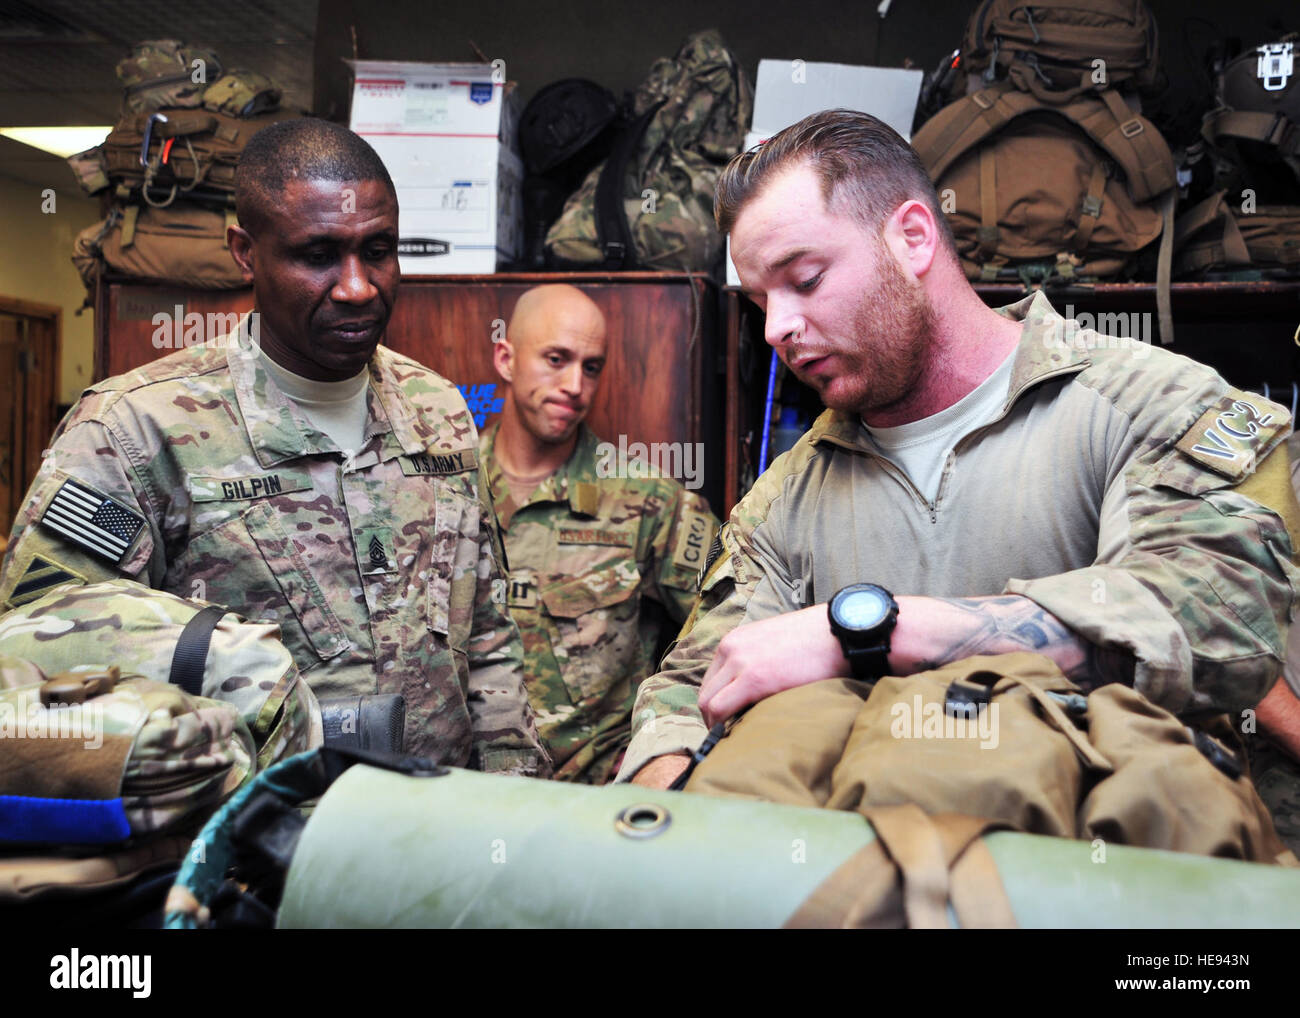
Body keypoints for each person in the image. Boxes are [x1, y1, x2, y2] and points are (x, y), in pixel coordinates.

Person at [619, 109, 1300, 789]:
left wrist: (864, 634)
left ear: (913, 237)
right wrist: (664, 802)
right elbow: (691, 688)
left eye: (805, 280)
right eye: (763, 300)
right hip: (870, 880)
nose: (777, 329)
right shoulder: (785, 498)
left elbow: (1219, 624)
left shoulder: (1146, 405)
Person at [0, 119, 547, 776]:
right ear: (245, 251)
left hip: (436, 831)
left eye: (378, 250)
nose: (357, 286)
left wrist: (512, 801)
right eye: (317, 255)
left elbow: (485, 631)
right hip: (247, 850)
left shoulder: (437, 411)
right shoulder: (136, 431)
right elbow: (35, 665)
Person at [481, 283, 718, 782]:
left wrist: (666, 750)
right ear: (506, 358)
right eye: (556, 359)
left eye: (591, 367)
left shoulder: (647, 501)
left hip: (596, 795)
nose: (574, 384)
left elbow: (728, 635)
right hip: (469, 792)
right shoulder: (447, 490)